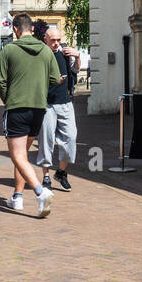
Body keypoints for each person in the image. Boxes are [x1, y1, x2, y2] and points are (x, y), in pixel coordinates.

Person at [0, 13, 62, 217]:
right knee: (23, 154)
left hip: (17, 107)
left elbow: (0, 81)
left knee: (16, 155)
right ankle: (18, 197)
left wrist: (9, 98)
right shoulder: (45, 50)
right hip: (39, 109)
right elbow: (55, 78)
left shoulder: (9, 50)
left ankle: (41, 192)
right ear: (32, 29)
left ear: (15, 29)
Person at [34, 22, 80, 191]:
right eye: (53, 40)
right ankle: (46, 176)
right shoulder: (40, 56)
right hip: (46, 104)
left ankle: (61, 172)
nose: (56, 43)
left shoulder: (65, 53)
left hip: (66, 103)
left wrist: (78, 56)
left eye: (58, 40)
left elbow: (75, 71)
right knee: (46, 141)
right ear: (45, 39)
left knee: (70, 139)